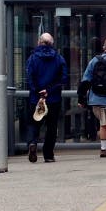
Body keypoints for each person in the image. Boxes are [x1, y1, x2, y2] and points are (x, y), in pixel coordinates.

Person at [25, 32, 69, 163]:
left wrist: (38, 91)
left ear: (39, 42)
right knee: (51, 127)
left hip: (36, 99)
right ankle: (48, 155)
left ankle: (32, 143)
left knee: (34, 123)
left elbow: (29, 77)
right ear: (52, 44)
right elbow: (63, 78)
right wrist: (49, 90)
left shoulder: (32, 58)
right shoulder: (59, 58)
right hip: (53, 99)